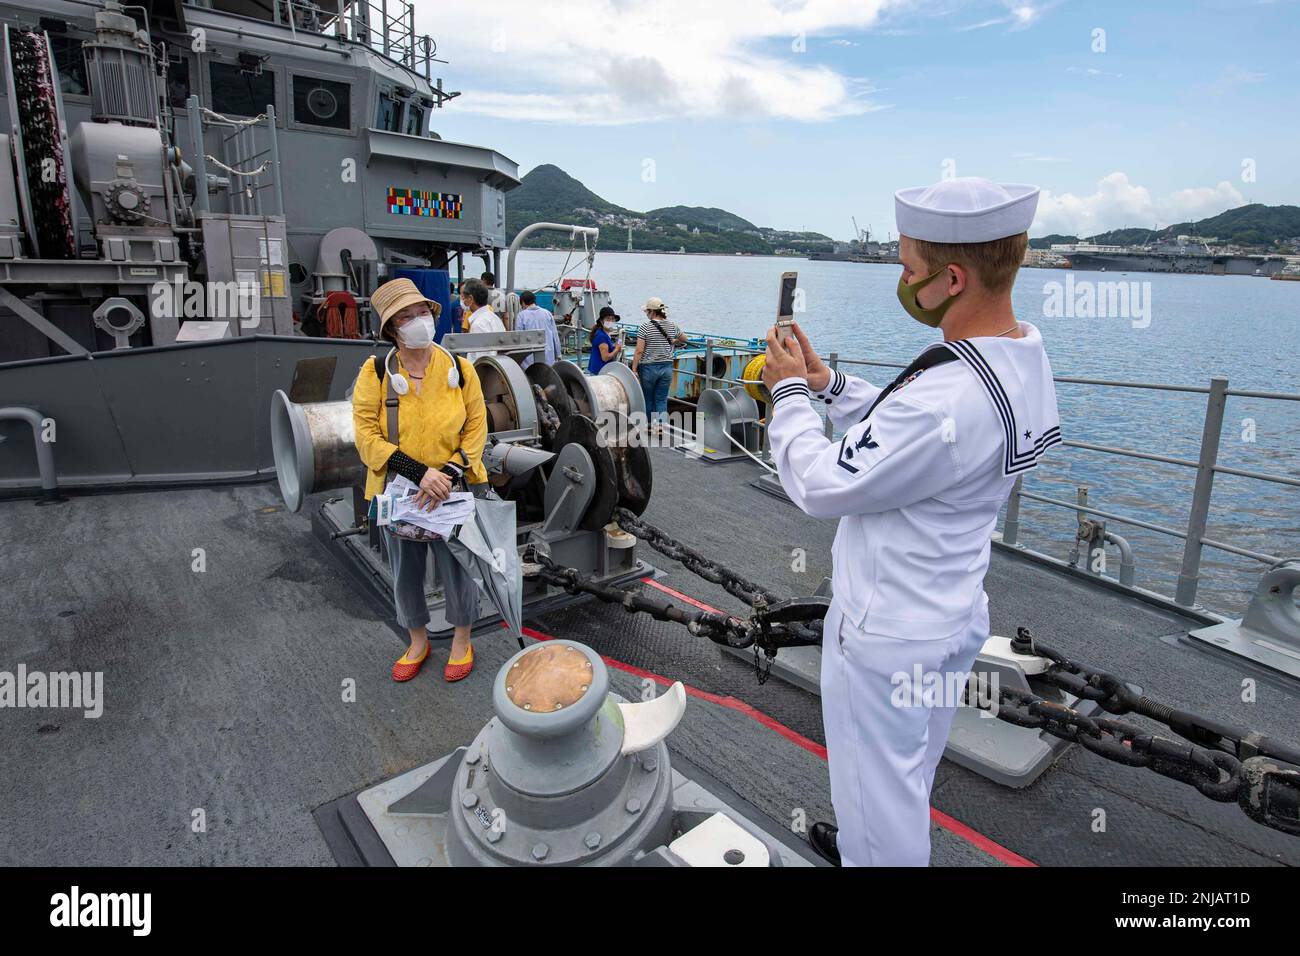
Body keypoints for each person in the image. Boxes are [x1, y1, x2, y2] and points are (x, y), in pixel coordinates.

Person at [761, 177, 1060, 867]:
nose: (902, 279)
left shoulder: (945, 404)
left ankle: (877, 851)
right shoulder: (1019, 352)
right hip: (950, 614)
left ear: (951, 278)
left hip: (886, 632)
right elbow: (914, 429)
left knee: (877, 790)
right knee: (907, 771)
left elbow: (819, 482)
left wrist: (783, 395)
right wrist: (828, 385)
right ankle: (875, 842)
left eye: (908, 267)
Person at [352, 278, 490, 683]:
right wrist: (418, 473)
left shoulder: (460, 370)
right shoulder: (375, 372)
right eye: (406, 316)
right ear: (392, 329)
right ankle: (417, 639)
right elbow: (365, 434)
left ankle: (462, 639)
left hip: (452, 486)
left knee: (458, 566)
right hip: (400, 489)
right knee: (406, 570)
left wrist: (448, 471)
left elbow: (476, 425)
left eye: (422, 312)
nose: (418, 321)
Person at [631, 296, 686, 429]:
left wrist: (634, 369)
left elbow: (639, 350)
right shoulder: (672, 325)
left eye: (647, 311)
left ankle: (649, 427)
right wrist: (674, 341)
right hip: (666, 366)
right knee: (661, 399)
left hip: (648, 367)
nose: (646, 314)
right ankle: (661, 427)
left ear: (652, 311)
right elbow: (684, 338)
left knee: (648, 399)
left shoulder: (644, 327)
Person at [513, 290, 562, 368]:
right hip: (548, 356)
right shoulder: (547, 313)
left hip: (529, 359)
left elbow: (518, 337)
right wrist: (558, 354)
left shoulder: (521, 316)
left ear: (522, 302)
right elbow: (555, 336)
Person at [460, 277, 504, 361]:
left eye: (463, 297)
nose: (462, 301)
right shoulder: (494, 318)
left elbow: (483, 361)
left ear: (470, 299)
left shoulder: (479, 324)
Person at [587, 306, 623, 373]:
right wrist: (616, 349)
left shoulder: (602, 332)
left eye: (612, 319)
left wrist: (613, 347)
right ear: (601, 321)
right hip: (599, 372)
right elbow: (605, 358)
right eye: (608, 319)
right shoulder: (602, 336)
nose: (611, 321)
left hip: (597, 370)